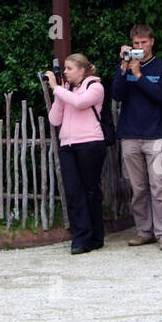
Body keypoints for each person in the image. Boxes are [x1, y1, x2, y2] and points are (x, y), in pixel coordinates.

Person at [112, 24, 162, 250]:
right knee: (138, 189)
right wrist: (123, 68)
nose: (139, 47)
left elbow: (160, 96)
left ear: (152, 42)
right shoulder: (126, 67)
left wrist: (138, 75)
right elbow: (116, 95)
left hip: (157, 135)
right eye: (135, 44)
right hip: (130, 134)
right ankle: (144, 231)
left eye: (143, 43)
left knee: (160, 186)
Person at [45, 53, 106, 255]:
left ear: (81, 70)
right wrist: (59, 94)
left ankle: (95, 236)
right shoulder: (66, 91)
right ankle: (81, 238)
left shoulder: (95, 87)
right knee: (73, 192)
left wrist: (57, 88)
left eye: (69, 68)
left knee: (90, 191)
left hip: (90, 143)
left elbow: (80, 103)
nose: (65, 72)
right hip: (68, 145)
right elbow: (54, 119)